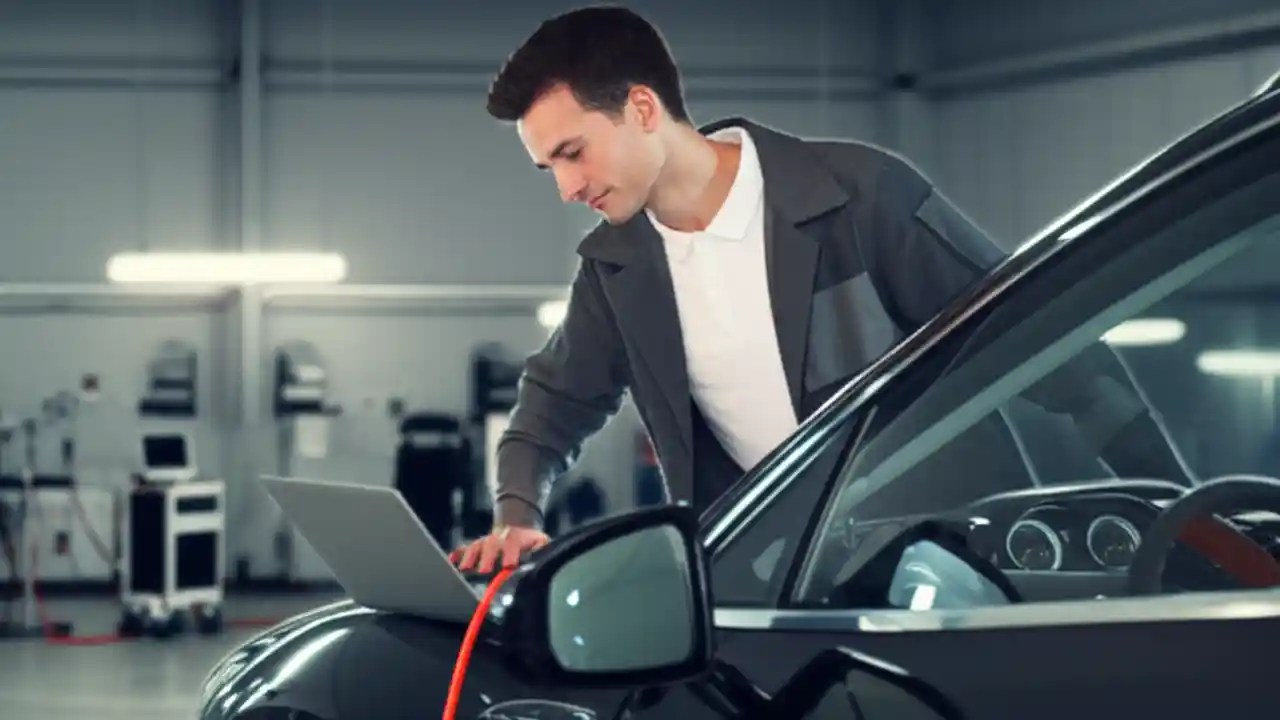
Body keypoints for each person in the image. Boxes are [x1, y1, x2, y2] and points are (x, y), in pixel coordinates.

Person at [451, 5, 1194, 574]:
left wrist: (1187, 518)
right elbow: (547, 410)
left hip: (951, 577)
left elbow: (1052, 348)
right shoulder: (617, 269)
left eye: (572, 153)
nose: (567, 187)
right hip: (780, 590)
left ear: (642, 109)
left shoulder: (862, 195)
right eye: (549, 166)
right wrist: (518, 514)